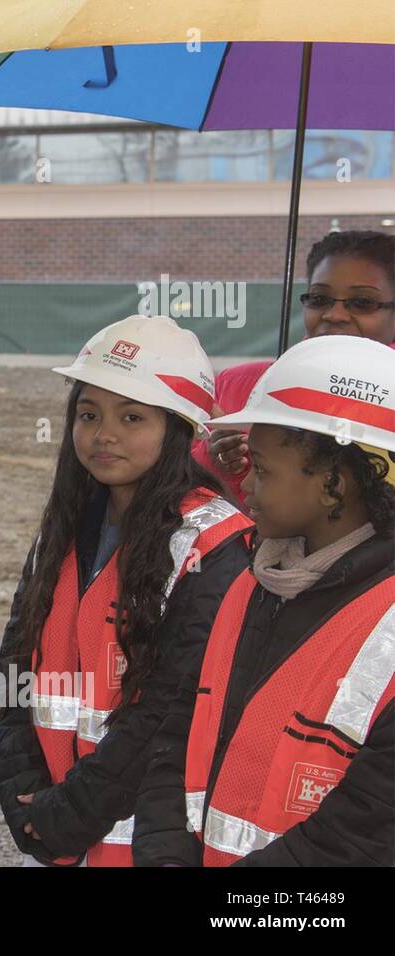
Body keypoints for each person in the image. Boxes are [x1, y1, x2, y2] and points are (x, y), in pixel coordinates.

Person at [0, 315, 253, 867]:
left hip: (135, 838)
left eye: (131, 417)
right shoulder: (63, 533)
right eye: (88, 415)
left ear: (179, 428)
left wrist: (69, 812)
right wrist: (25, 799)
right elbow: (13, 669)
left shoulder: (213, 543)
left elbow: (168, 708)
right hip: (54, 823)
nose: (103, 434)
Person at [134, 335, 394, 866]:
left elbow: (362, 832)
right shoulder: (250, 583)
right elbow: (176, 739)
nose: (244, 483)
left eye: (264, 469)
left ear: (333, 486)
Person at [197, 230, 395, 504]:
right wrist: (218, 464)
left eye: (362, 302)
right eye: (319, 299)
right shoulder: (237, 386)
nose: (334, 314)